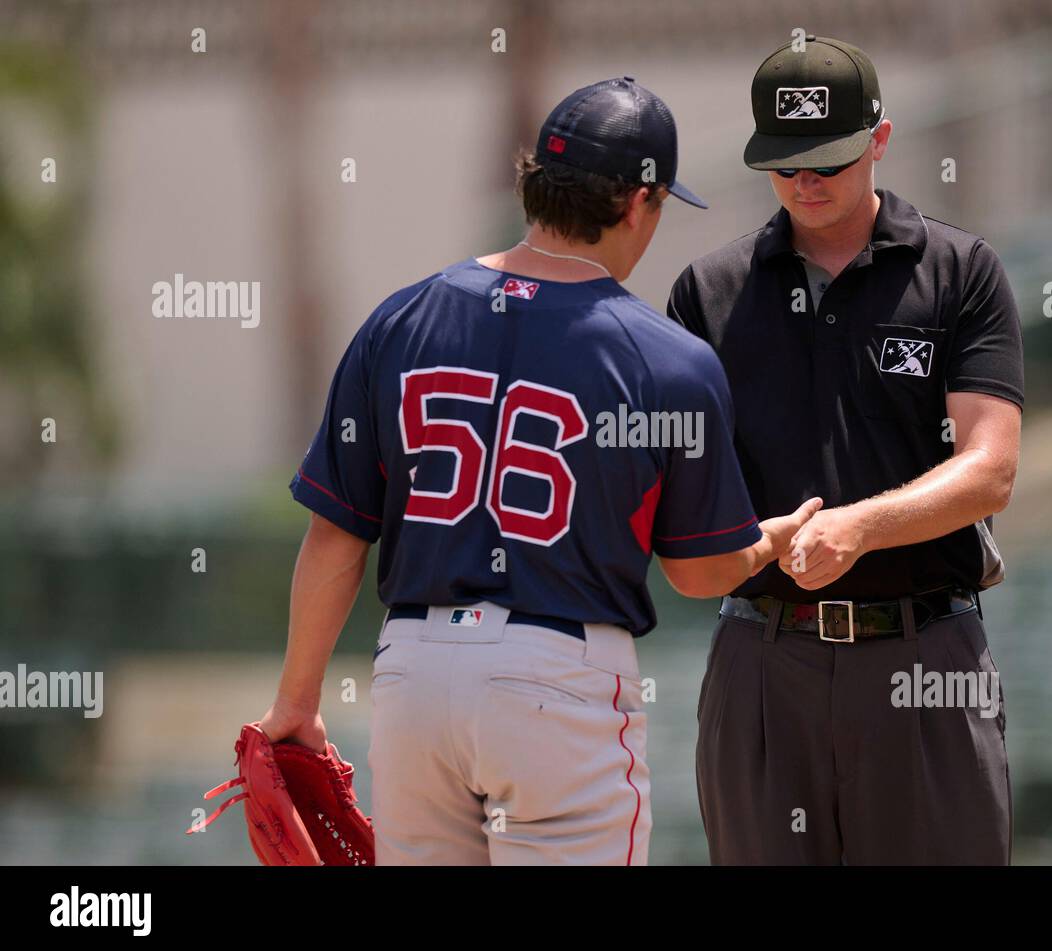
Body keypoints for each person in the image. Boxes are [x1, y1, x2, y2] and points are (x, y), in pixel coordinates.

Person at [257, 77, 820, 865]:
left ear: (536, 188)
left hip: (412, 676)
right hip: (557, 681)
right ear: (638, 204)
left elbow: (336, 536)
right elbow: (702, 571)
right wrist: (768, 543)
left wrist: (297, 701)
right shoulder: (669, 360)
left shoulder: (400, 319)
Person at [667, 36, 1024, 865]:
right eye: (786, 162)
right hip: (762, 656)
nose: (806, 180)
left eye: (827, 157)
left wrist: (858, 526)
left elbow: (992, 468)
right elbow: (682, 488)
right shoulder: (708, 292)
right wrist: (745, 542)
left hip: (924, 653)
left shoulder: (960, 270)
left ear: (881, 138)